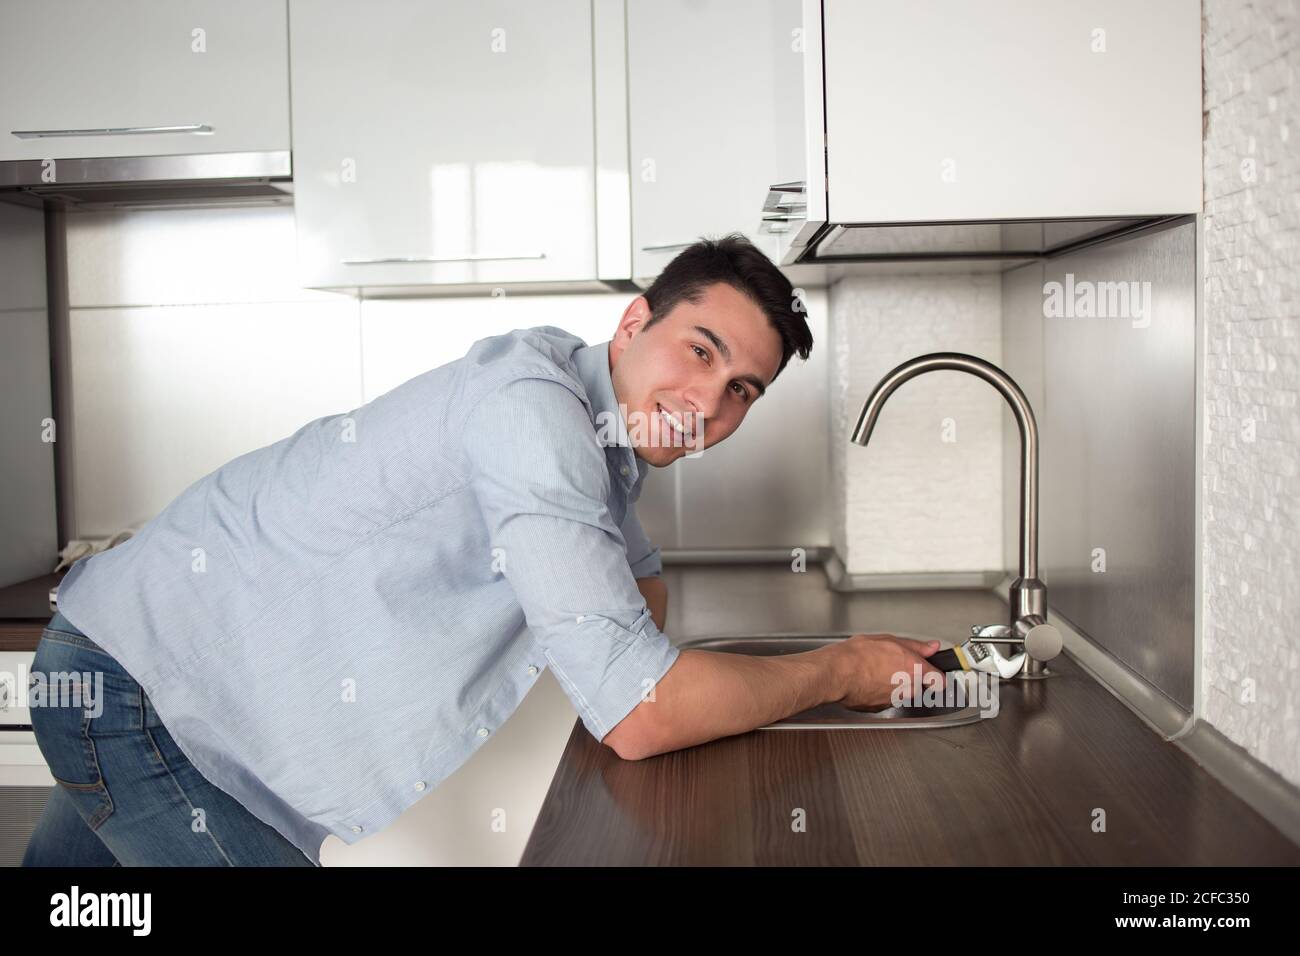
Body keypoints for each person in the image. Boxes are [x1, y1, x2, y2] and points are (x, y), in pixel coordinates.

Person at [23, 234, 942, 867]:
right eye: (701, 352)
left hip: (167, 683)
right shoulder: (533, 413)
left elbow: (640, 602)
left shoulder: (593, 426)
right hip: (143, 695)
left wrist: (633, 657)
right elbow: (639, 712)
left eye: (742, 388)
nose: (709, 405)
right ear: (633, 324)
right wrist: (842, 668)